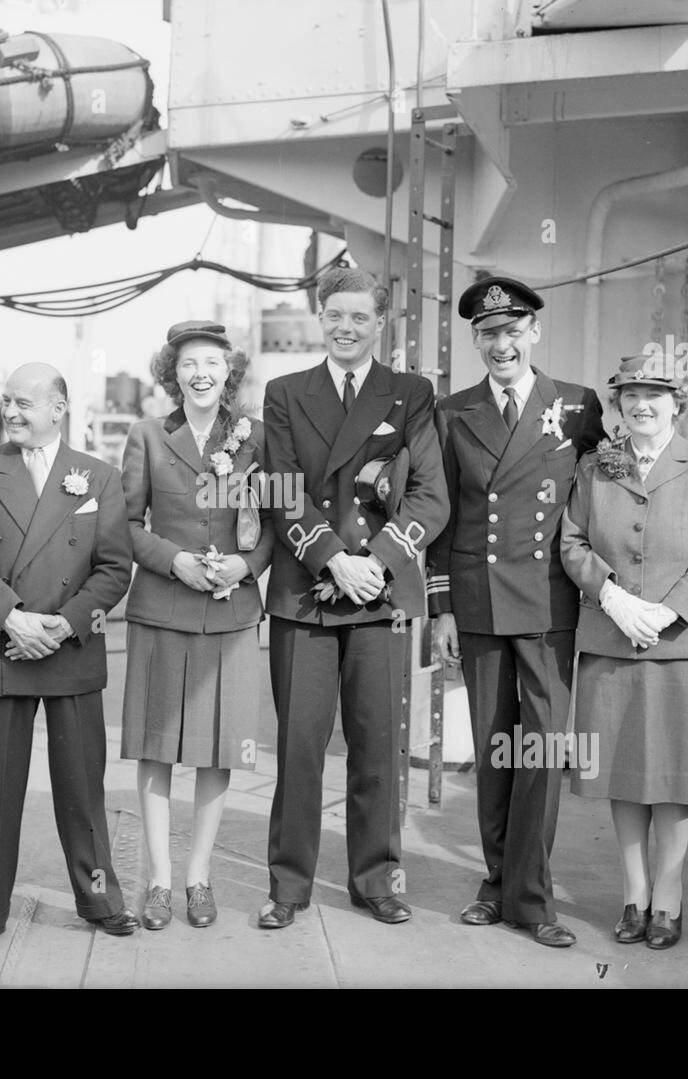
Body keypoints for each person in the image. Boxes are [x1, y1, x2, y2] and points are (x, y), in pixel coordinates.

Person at [258, 265, 449, 930]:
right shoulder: (284, 393)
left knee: (377, 747)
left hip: (379, 594)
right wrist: (334, 557)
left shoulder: (411, 393)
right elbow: (282, 489)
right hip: (305, 592)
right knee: (300, 747)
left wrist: (377, 560)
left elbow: (431, 493)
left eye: (359, 317)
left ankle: (376, 878)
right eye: (335, 315)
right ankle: (288, 884)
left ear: (380, 322)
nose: (345, 327)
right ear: (320, 316)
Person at [426, 276, 605, 948]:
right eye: (487, 334)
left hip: (550, 601)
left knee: (543, 748)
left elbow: (603, 494)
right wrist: (441, 608)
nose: (501, 344)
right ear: (477, 341)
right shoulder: (452, 412)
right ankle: (498, 883)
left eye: (511, 331)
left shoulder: (578, 406)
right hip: (477, 600)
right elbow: (441, 516)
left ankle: (531, 896)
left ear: (533, 332)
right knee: (494, 748)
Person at [0, 362, 138, 954]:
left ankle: (101, 901)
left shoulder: (98, 477)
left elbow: (114, 568)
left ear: (59, 408)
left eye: (25, 403)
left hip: (67, 647)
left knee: (82, 789)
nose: (13, 413)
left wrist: (64, 623)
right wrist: (12, 619)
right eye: (7, 402)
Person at [560, 354, 688, 949]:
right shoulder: (595, 468)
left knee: (674, 777)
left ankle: (669, 896)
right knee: (623, 773)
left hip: (680, 645)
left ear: (677, 403)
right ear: (617, 404)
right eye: (630, 394)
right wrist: (611, 597)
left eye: (655, 394)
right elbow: (573, 540)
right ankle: (634, 895)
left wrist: (667, 610)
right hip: (612, 643)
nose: (642, 403)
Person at [120, 321, 274, 930]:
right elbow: (126, 525)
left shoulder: (257, 438)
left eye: (212, 362)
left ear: (228, 371)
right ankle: (159, 881)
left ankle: (198, 877)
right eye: (188, 364)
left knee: (217, 751)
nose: (201, 373)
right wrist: (173, 560)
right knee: (156, 748)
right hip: (162, 607)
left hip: (231, 611)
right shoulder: (147, 437)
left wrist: (249, 563)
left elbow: (275, 521)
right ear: (172, 371)